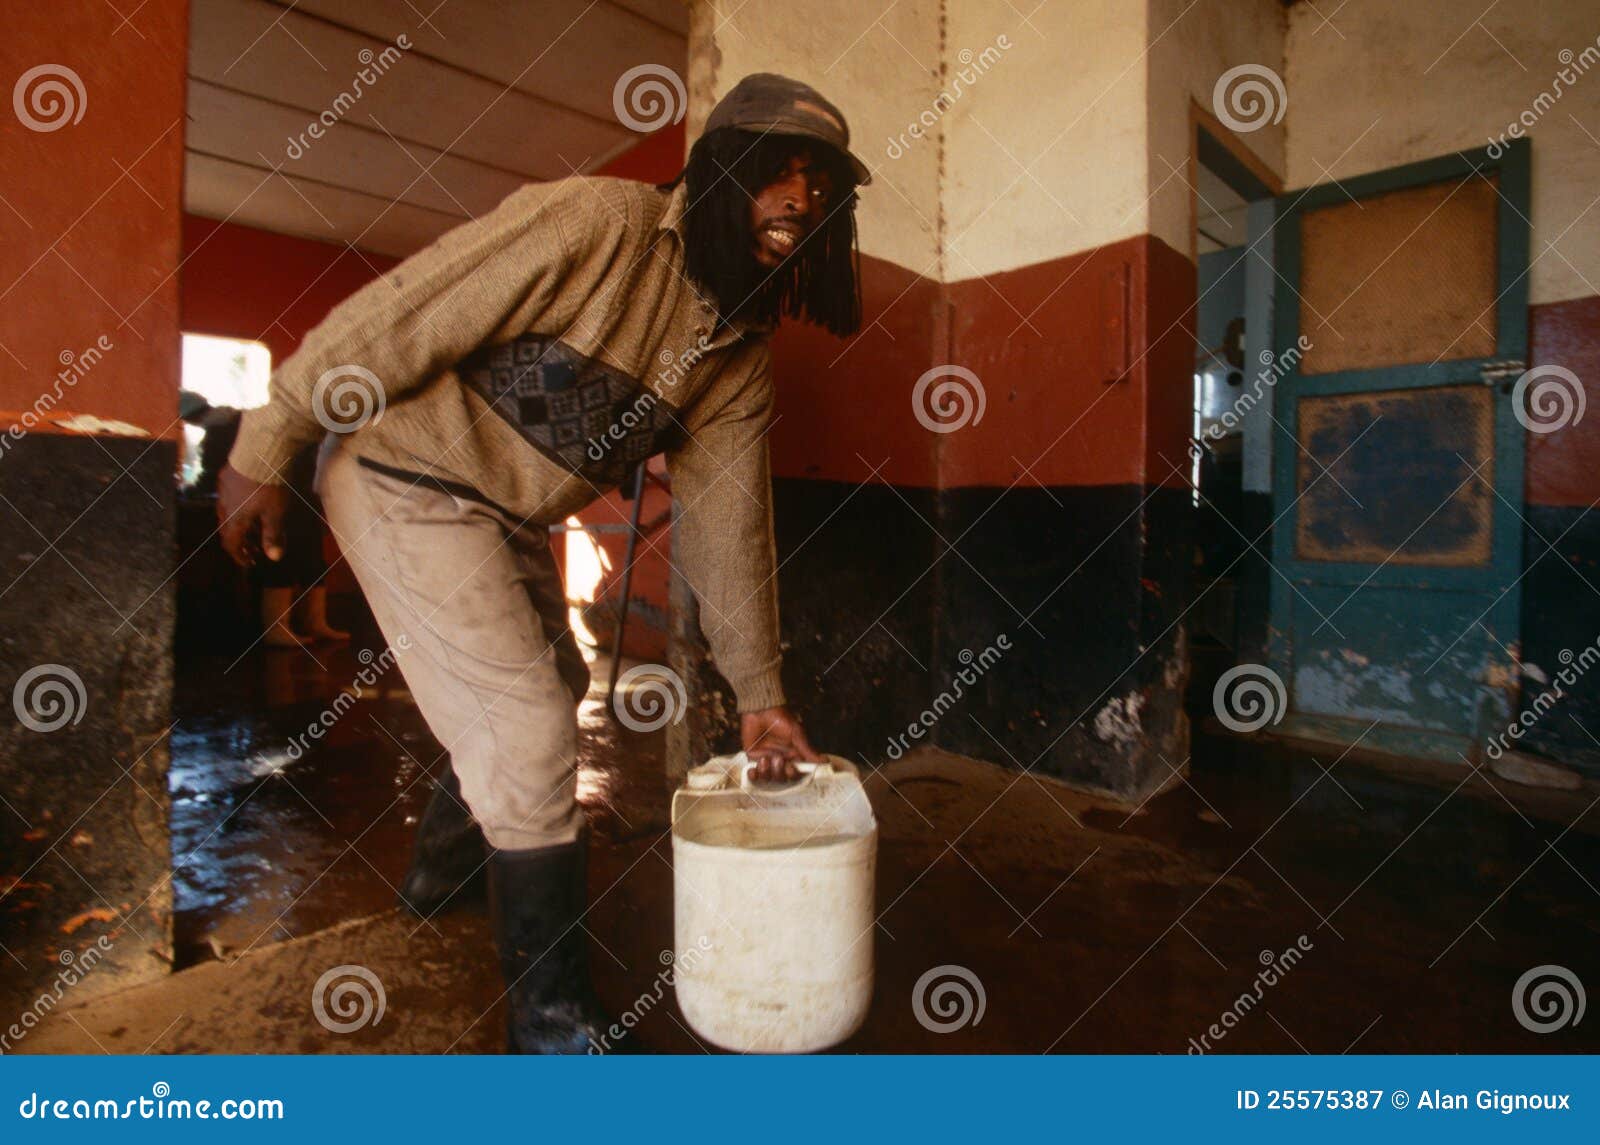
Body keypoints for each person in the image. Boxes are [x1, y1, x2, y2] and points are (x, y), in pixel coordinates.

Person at [214, 73, 870, 1053]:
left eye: (822, 184)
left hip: (504, 513)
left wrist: (761, 693)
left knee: (549, 683)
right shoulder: (597, 220)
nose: (802, 200)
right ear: (723, 168)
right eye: (781, 169)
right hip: (400, 470)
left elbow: (729, 532)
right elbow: (409, 313)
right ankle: (553, 1027)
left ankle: (441, 886)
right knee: (524, 732)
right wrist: (266, 443)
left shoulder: (739, 354)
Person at [181, 391, 348, 647]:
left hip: (282, 494)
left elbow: (218, 470)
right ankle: (312, 622)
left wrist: (198, 491)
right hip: (302, 492)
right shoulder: (246, 421)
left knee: (279, 558)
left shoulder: (221, 429)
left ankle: (277, 628)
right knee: (309, 557)